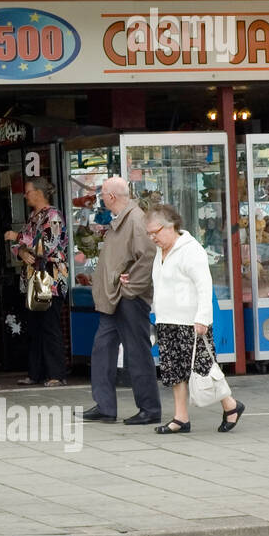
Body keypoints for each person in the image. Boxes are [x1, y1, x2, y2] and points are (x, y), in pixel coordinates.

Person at [146, 204, 245, 434]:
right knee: (173, 370)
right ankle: (181, 417)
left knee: (204, 367)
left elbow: (204, 286)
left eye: (156, 232)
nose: (153, 238)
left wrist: (202, 318)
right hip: (167, 319)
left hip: (191, 320)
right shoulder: (161, 252)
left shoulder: (191, 249)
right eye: (149, 233)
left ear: (171, 226)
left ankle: (230, 405)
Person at [83, 176, 160, 425]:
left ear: (112, 197)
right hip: (114, 297)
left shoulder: (135, 219)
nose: (101, 198)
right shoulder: (123, 218)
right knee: (102, 349)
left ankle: (149, 408)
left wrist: (132, 288)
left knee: (137, 351)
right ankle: (105, 407)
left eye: (102, 193)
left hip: (128, 297)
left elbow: (148, 256)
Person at [5, 176, 70, 387]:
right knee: (34, 326)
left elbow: (47, 246)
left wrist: (17, 238)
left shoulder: (53, 216)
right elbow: (21, 248)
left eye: (28, 191)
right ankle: (35, 372)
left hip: (51, 279)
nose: (25, 195)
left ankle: (56, 373)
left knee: (49, 326)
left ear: (39, 193)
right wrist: (22, 252)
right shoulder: (34, 216)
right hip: (33, 279)